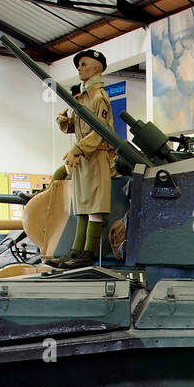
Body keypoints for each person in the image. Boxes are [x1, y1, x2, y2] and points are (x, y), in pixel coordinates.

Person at [47, 49, 117, 268]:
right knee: (82, 206)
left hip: (96, 156)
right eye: (79, 65)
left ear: (97, 67)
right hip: (83, 159)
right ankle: (76, 251)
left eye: (85, 64)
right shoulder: (82, 98)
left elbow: (100, 131)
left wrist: (77, 150)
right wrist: (64, 122)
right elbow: (78, 128)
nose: (80, 67)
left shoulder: (98, 97)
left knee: (94, 206)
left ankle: (87, 253)